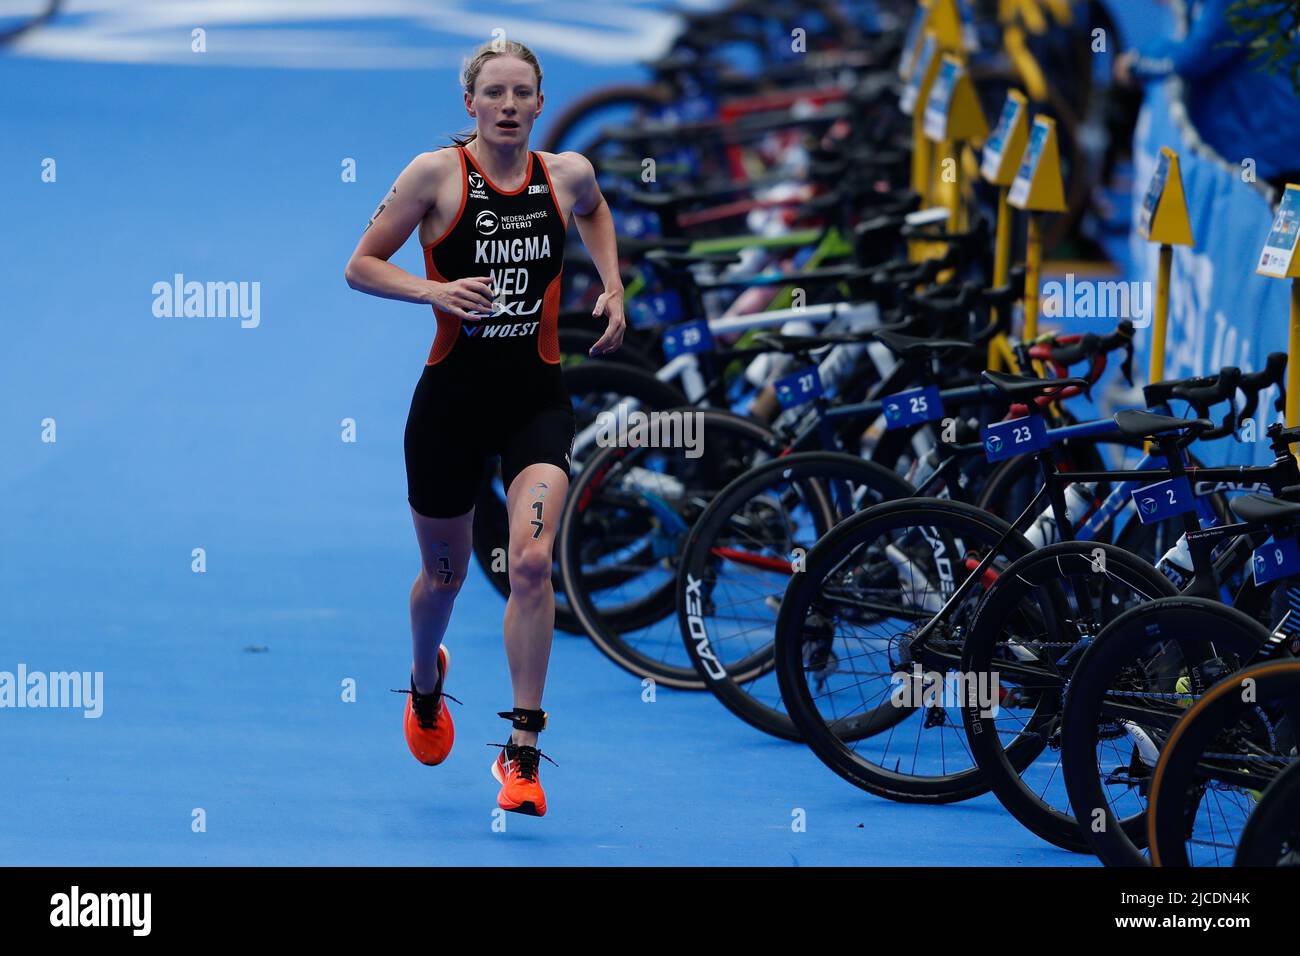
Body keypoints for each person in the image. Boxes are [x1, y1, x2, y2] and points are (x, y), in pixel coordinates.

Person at [343, 39, 625, 817]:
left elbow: (597, 212)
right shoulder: (434, 176)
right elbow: (360, 265)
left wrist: (613, 284)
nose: (507, 105)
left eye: (521, 93)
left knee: (531, 563)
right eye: (493, 93)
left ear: (539, 102)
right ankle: (425, 683)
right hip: (451, 408)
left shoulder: (566, 175)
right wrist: (431, 292)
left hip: (536, 402)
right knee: (445, 577)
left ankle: (521, 750)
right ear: (469, 103)